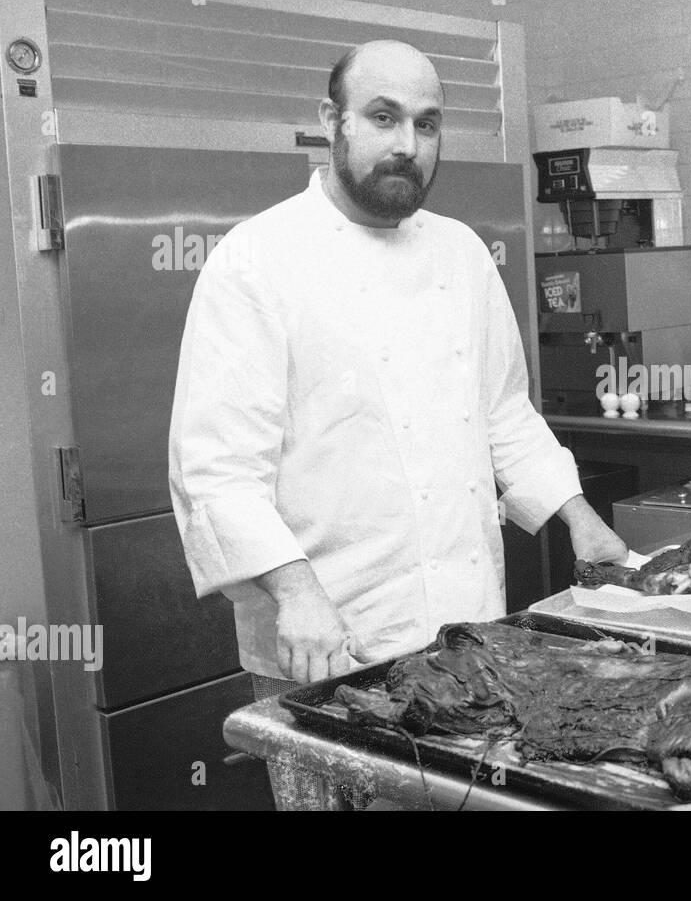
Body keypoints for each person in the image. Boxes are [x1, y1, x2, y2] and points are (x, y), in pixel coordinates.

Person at [169, 40, 629, 699]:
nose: (408, 144)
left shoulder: (462, 253)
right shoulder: (256, 261)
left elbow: (503, 413)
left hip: (467, 632)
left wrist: (579, 518)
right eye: (383, 117)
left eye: (427, 123)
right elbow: (216, 469)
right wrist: (296, 592)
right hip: (327, 641)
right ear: (333, 120)